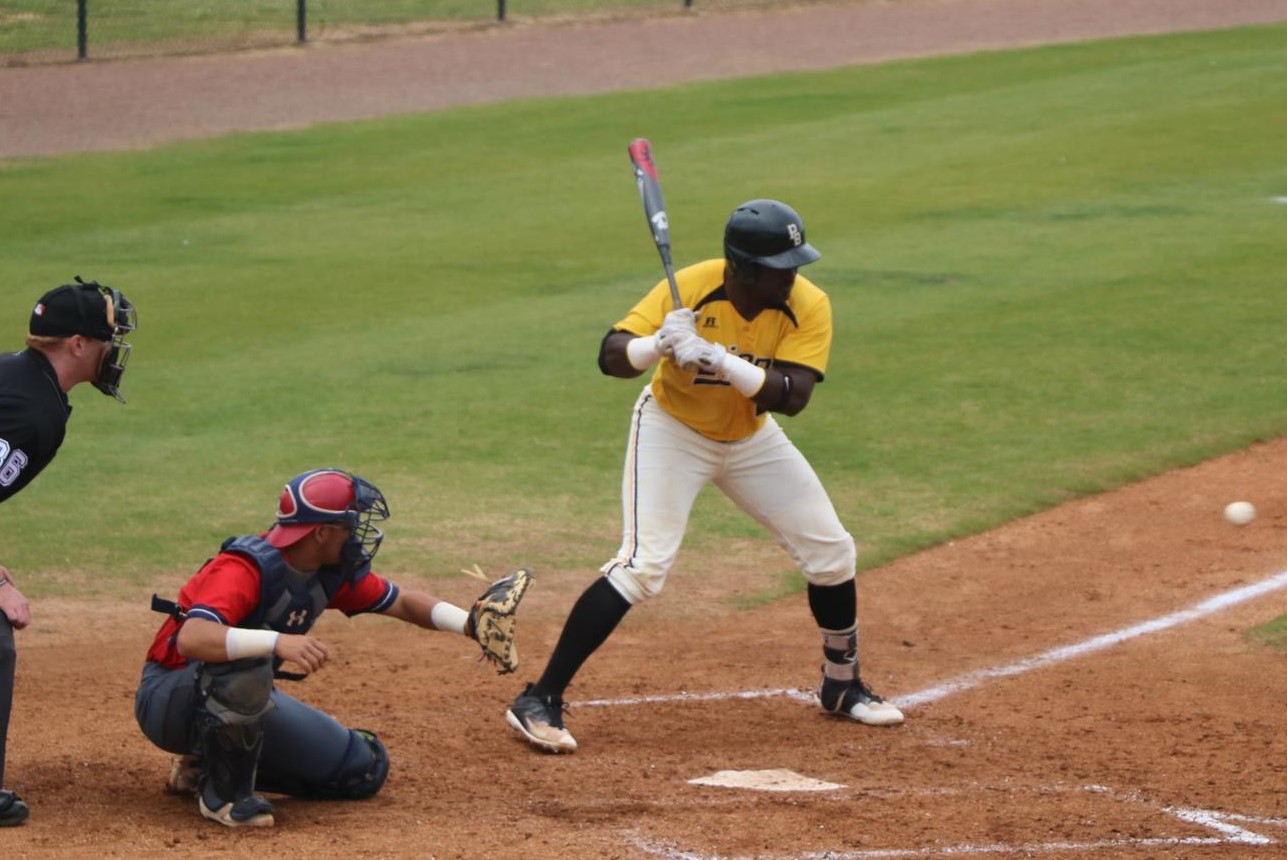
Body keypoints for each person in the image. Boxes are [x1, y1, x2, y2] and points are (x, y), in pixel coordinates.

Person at [505, 199, 904, 754]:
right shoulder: (689, 287)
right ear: (742, 268)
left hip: (752, 438)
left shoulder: (808, 304)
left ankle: (842, 684)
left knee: (832, 551)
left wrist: (717, 359)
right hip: (673, 432)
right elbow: (610, 355)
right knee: (643, 566)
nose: (793, 275)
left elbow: (792, 398)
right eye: (781, 266)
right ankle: (539, 698)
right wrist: (657, 345)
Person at [136, 468, 526, 828]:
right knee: (248, 664)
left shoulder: (326, 574)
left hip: (232, 694)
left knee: (363, 769)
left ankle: (206, 761)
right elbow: (193, 638)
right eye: (349, 524)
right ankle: (223, 797)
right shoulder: (243, 569)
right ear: (321, 532)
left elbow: (404, 602)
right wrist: (278, 641)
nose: (357, 535)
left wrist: (471, 624)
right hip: (169, 697)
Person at [0, 277, 138, 826]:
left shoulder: (17, 375)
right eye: (109, 338)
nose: (115, 351)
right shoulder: (34, 412)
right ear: (78, 344)